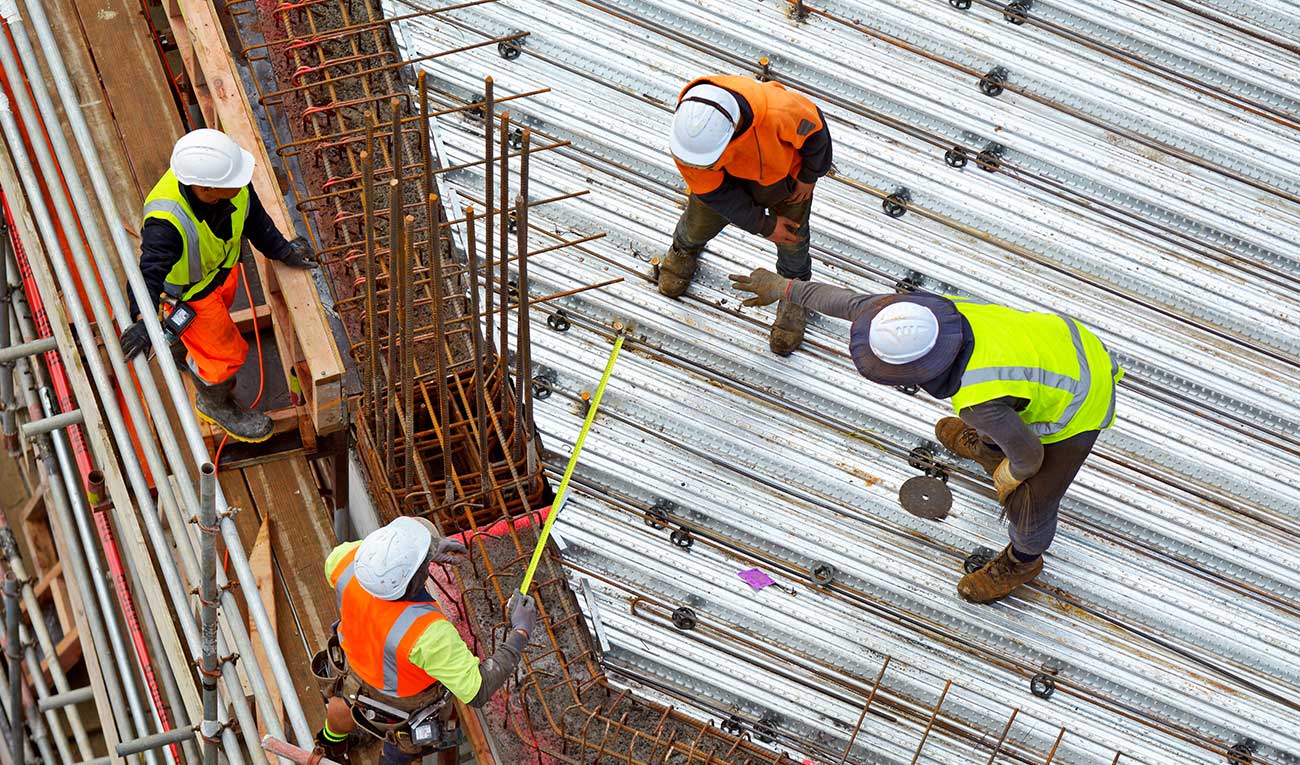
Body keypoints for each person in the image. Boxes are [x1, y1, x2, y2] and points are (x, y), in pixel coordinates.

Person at [730, 269, 1122, 603]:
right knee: (1001, 416)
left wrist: (1010, 477)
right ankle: (990, 448)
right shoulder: (914, 316)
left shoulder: (977, 399)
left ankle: (1024, 560)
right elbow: (848, 303)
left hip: (1080, 402)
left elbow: (1031, 456)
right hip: (1061, 343)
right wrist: (782, 287)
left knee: (1029, 502)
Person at [118, 129, 318, 442]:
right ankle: (214, 404)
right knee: (225, 357)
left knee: (217, 318)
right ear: (208, 188)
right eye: (235, 180)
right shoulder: (167, 222)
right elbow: (148, 275)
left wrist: (283, 251)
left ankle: (179, 345)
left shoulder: (228, 182)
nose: (243, 181)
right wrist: (143, 321)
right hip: (191, 297)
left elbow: (256, 221)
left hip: (221, 275)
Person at [314, 517, 537, 764]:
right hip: (399, 701)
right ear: (414, 579)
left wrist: (427, 551)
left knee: (342, 705)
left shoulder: (344, 560)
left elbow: (379, 562)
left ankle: (330, 744)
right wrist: (521, 632)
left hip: (354, 669)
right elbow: (478, 690)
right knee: (399, 745)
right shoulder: (428, 633)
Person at [663, 75, 833, 356]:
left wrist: (809, 176)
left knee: (793, 240)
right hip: (725, 184)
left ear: (732, 131)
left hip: (786, 179)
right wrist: (763, 225)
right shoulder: (688, 139)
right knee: (697, 224)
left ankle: (795, 292)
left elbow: (816, 135)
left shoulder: (780, 111)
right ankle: (681, 252)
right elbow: (714, 193)